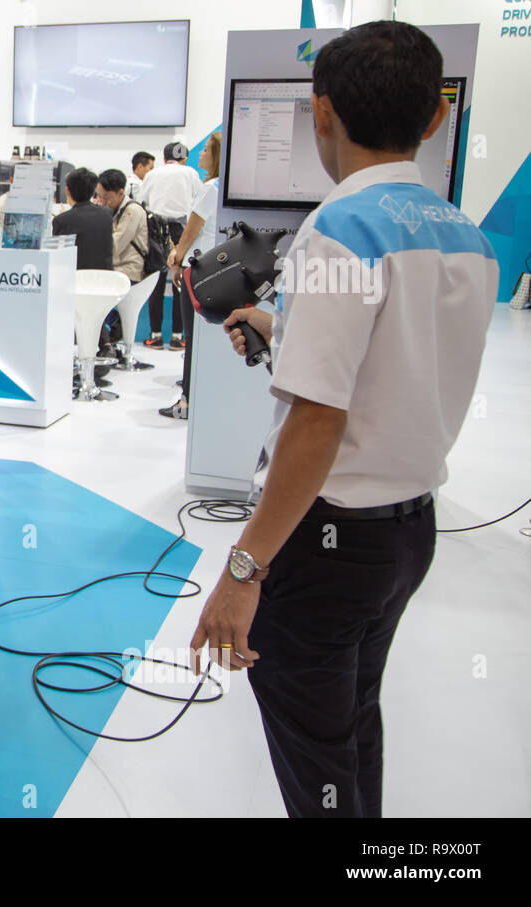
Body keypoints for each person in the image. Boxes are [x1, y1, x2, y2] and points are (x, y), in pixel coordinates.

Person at [188, 21, 498, 818]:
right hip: (406, 534)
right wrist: (277, 325)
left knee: (314, 749)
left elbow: (319, 423)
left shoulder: (337, 232)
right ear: (434, 119)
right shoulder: (468, 237)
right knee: (351, 725)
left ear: (319, 114)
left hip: (326, 544)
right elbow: (400, 356)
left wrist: (242, 570)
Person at [159, 131, 222, 420]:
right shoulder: (222, 187)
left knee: (192, 337)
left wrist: (177, 257)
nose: (200, 154)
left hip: (196, 267)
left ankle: (186, 402)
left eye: (207, 149)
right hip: (214, 267)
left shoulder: (211, 189)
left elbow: (191, 229)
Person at [139, 141, 201, 349]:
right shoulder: (190, 172)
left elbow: (143, 200)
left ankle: (155, 335)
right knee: (180, 286)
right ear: (184, 158)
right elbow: (199, 198)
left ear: (164, 158)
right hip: (181, 231)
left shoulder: (153, 174)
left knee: (156, 285)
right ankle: (177, 337)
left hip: (155, 229)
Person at [50, 167, 112, 270]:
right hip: (104, 277)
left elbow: (59, 257)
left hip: (77, 278)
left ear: (67, 191)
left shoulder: (61, 220)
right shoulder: (107, 213)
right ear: (93, 191)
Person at [96, 168, 147, 284]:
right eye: (99, 196)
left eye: (106, 197)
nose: (102, 201)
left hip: (128, 273)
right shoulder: (111, 210)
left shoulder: (132, 211)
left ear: (121, 193)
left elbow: (115, 246)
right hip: (114, 270)